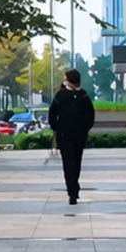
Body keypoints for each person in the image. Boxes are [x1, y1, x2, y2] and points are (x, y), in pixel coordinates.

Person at [48, 68, 95, 205]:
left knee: (73, 162)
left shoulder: (80, 95)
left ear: (69, 80)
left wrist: (57, 127)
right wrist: (57, 128)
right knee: (71, 162)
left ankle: (73, 187)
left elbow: (90, 115)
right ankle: (72, 190)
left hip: (73, 135)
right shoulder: (64, 95)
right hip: (69, 136)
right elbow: (52, 114)